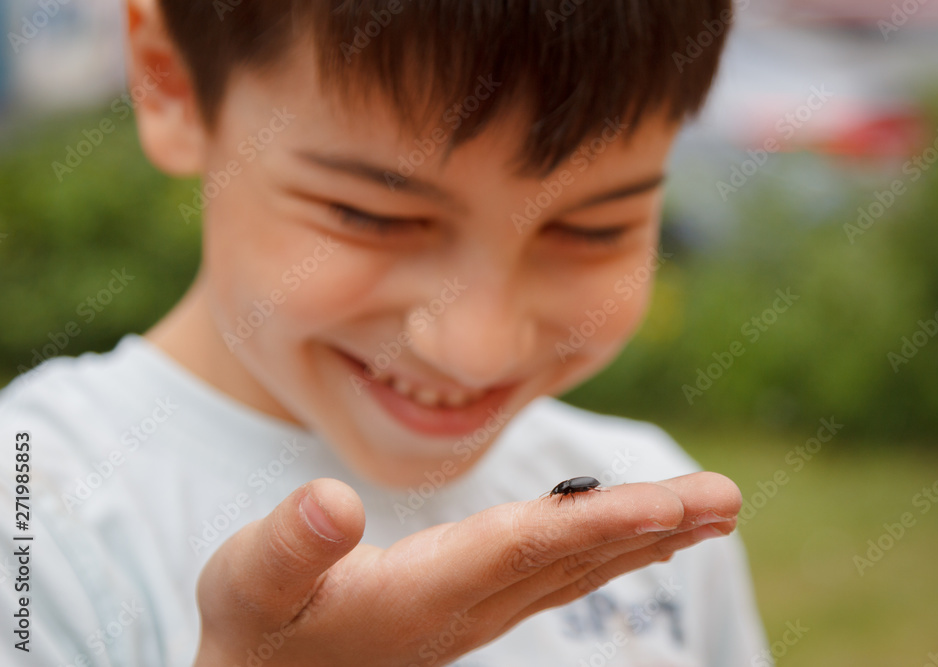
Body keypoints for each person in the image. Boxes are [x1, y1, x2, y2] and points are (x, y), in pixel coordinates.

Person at [0, 1, 769, 665]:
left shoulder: (651, 517)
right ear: (172, 80)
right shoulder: (31, 515)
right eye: (376, 217)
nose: (476, 347)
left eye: (594, 229)